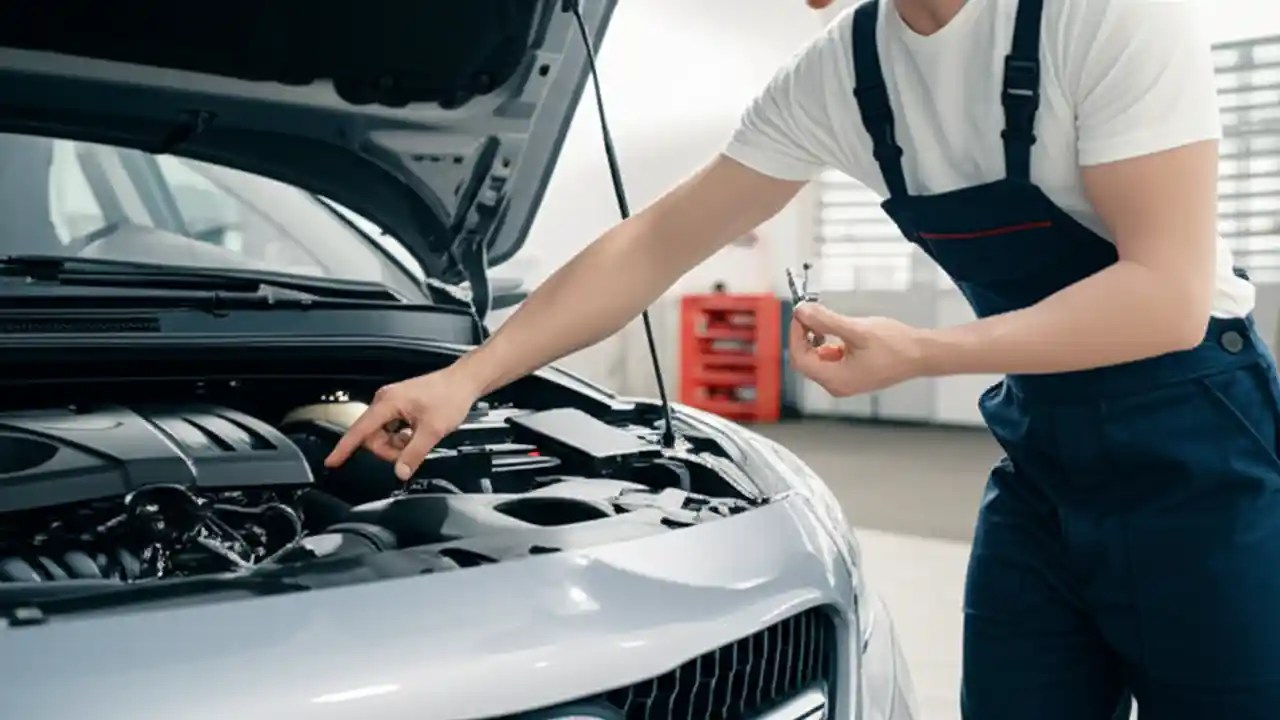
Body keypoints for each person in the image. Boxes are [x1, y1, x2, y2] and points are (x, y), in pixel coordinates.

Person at [326, 0, 1280, 717]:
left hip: (1197, 448)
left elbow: (1166, 296)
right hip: (1044, 455)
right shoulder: (846, 71)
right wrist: (466, 375)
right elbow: (658, 240)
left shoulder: (1100, 18)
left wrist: (921, 352)